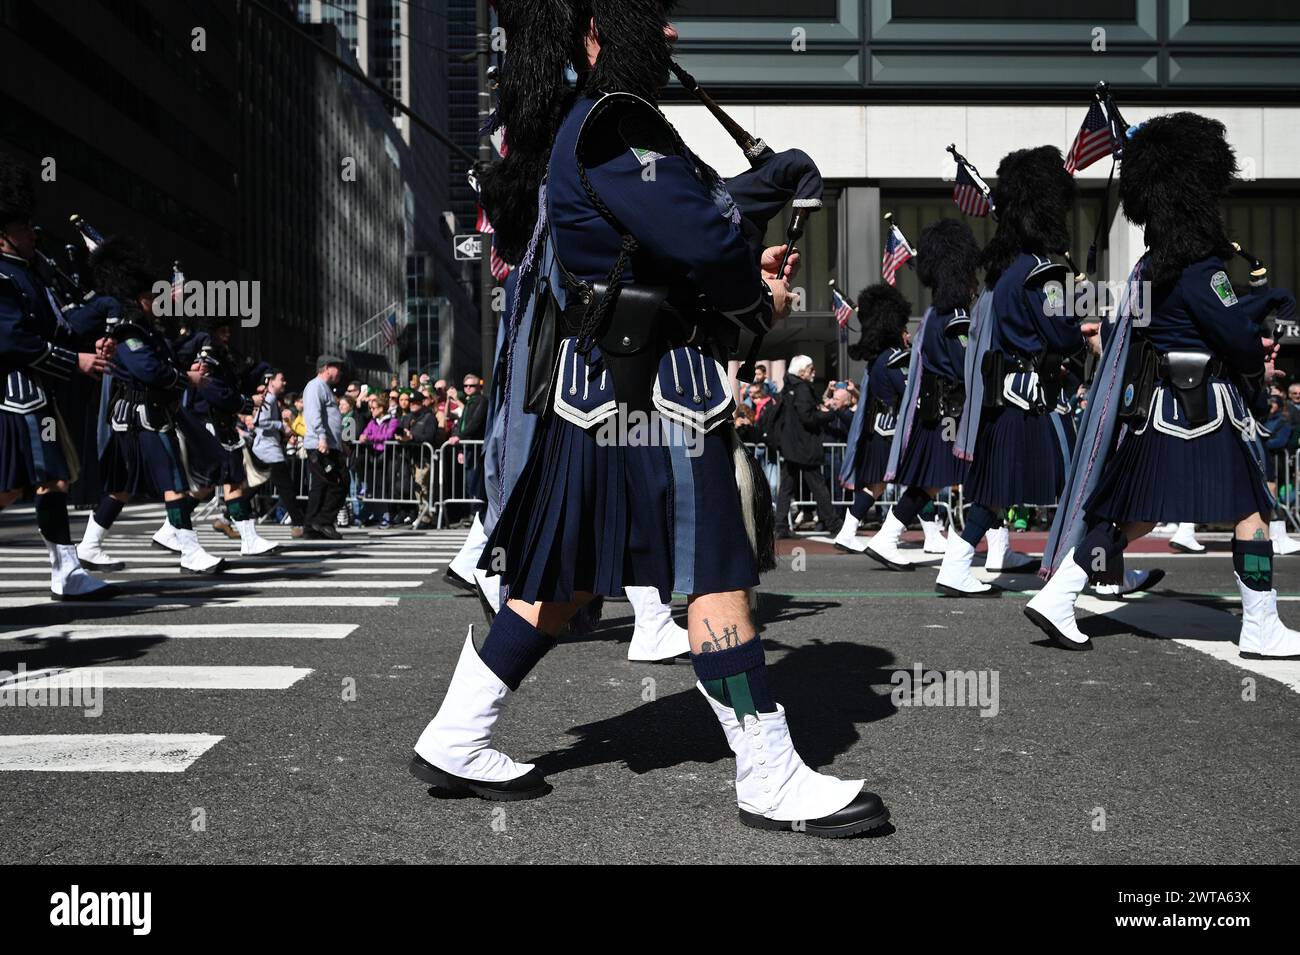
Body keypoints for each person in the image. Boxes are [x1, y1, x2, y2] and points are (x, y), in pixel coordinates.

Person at [410, 0, 887, 837]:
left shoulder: (591, 123)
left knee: (562, 583)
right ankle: (768, 772)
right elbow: (702, 241)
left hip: (597, 396)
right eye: (652, 18)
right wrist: (756, 289)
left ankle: (458, 732)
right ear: (599, 30)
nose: (669, 35)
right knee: (713, 579)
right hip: (657, 390)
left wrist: (752, 207)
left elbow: (678, 216)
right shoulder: (614, 120)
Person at [1031, 112, 1299, 659]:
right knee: (1252, 511)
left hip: (1156, 408)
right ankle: (1261, 625)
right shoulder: (1202, 265)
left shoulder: (1153, 266)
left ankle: (1060, 593)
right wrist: (1258, 343)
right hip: (1202, 407)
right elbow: (1235, 337)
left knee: (1135, 515)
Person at [942, 145, 1085, 596]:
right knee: (1086, 480)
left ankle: (957, 562)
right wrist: (1083, 317)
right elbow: (1062, 336)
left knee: (996, 490)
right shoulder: (1044, 273)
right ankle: (1098, 569)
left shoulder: (1005, 274)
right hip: (1036, 401)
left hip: (1008, 399)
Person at [0, 153, 117, 600]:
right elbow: (11, 341)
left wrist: (90, 343)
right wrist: (76, 363)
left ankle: (66, 572)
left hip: (33, 396)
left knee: (49, 480)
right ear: (3, 234)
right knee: (22, 484)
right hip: (12, 397)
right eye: (23, 227)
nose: (33, 232)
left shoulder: (30, 274)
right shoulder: (3, 277)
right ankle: (65, 573)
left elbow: (60, 327)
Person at [74, 237, 227, 575]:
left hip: (145, 415)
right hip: (142, 417)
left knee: (121, 487)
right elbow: (148, 370)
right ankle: (189, 551)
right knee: (172, 481)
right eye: (153, 297)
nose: (159, 302)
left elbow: (163, 362)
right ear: (141, 300)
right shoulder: (130, 330)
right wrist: (186, 378)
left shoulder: (146, 331)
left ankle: (88, 545)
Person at [832, 284, 911, 556]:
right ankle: (851, 531)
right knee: (908, 481)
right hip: (888, 431)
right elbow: (907, 391)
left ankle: (848, 531)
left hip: (878, 429)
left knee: (879, 485)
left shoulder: (878, 359)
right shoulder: (892, 359)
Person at [775, 355, 843, 538]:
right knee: (819, 487)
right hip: (805, 445)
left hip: (791, 445)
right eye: (811, 369)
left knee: (786, 488)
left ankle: (780, 526)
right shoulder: (802, 388)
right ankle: (835, 525)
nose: (814, 372)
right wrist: (829, 415)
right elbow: (807, 417)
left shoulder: (789, 386)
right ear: (802, 370)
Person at [249, 366, 305, 538]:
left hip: (265, 448)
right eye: (282, 379)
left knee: (255, 486)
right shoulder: (270, 398)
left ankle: (226, 517)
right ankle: (298, 523)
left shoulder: (270, 398)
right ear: (272, 382)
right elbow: (261, 421)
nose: (285, 383)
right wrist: (281, 426)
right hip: (269, 451)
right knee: (285, 487)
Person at [302, 355, 347, 540]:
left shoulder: (324, 388)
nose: (340, 372)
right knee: (338, 482)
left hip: (328, 444)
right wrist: (322, 438)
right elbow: (314, 414)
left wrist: (341, 443)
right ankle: (323, 521)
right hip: (320, 445)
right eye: (338, 368)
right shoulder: (315, 386)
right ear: (327, 367)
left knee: (322, 485)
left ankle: (312, 525)